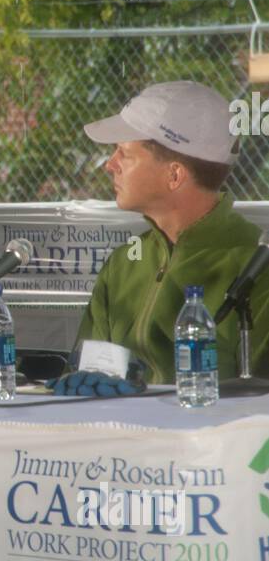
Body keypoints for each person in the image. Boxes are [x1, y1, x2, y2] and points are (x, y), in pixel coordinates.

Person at [74, 80, 269, 384]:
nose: (110, 165)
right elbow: (83, 376)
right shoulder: (122, 264)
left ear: (174, 174)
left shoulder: (258, 267)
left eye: (124, 153)